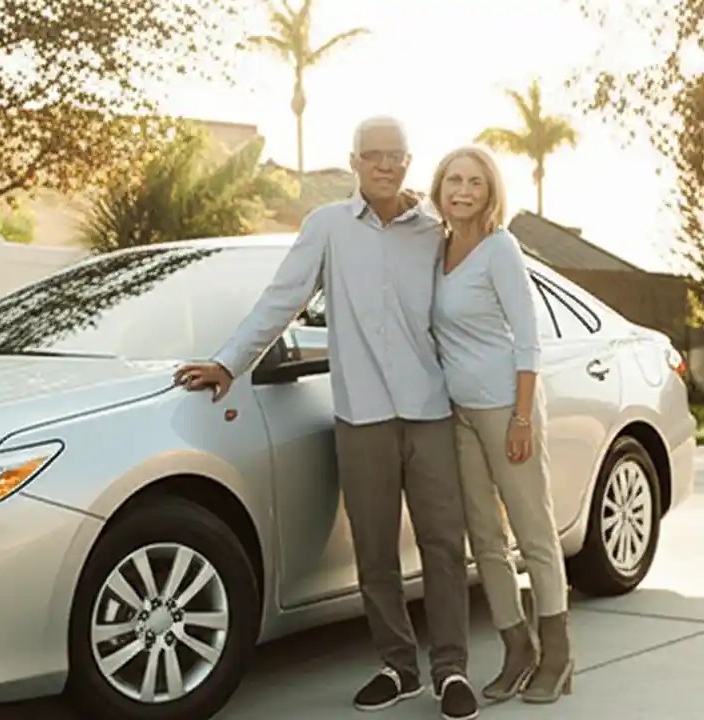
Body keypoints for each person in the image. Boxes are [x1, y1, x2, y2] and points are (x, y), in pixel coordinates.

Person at [174, 116, 479, 720]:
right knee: (373, 550)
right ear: (355, 161)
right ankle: (398, 667)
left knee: (444, 546)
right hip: (362, 415)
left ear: (409, 160)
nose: (386, 165)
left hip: (429, 411)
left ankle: (451, 672)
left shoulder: (433, 231)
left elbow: (469, 306)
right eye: (374, 156)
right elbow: (280, 300)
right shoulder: (328, 228)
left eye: (396, 155)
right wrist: (229, 364)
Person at [427, 144, 574, 704]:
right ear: (439, 187)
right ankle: (518, 648)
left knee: (534, 532)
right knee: (485, 539)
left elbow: (528, 340)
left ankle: (557, 654)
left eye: (475, 183)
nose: (463, 191)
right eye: (454, 180)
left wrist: (520, 417)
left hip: (505, 409)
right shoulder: (437, 248)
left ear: (491, 193)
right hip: (457, 412)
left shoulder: (500, 248)